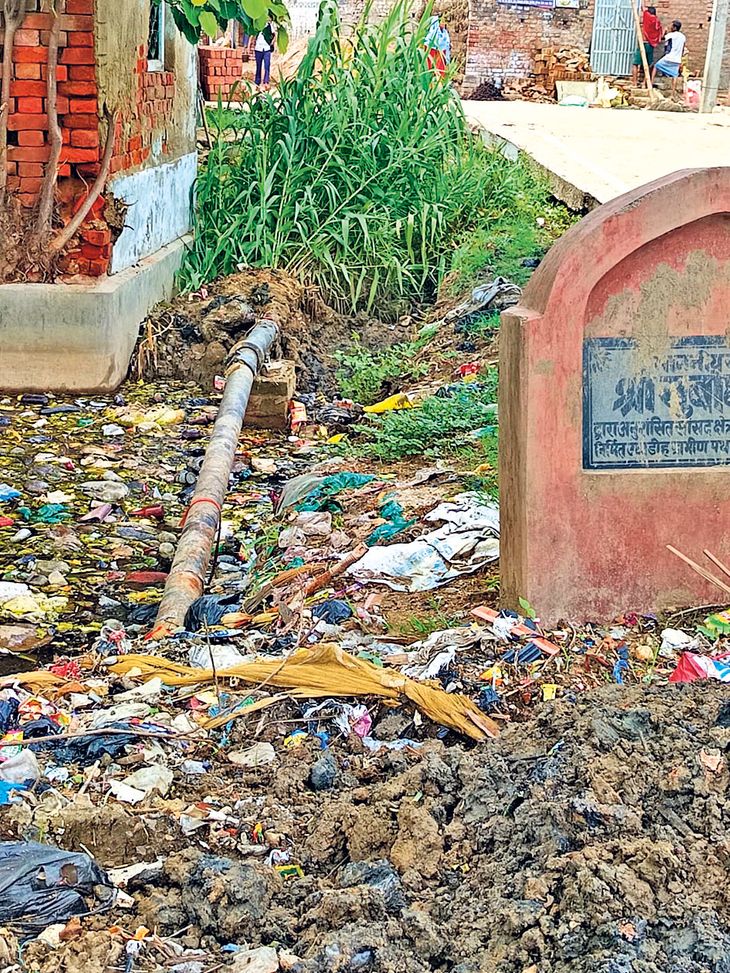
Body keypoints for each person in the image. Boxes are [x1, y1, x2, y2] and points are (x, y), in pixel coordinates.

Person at [652, 20, 687, 94]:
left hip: (670, 57)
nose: (670, 27)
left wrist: (664, 31)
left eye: (671, 26)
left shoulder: (672, 35)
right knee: (675, 75)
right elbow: (683, 48)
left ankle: (650, 83)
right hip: (677, 59)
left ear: (674, 27)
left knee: (656, 66)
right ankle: (673, 92)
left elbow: (662, 38)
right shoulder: (683, 37)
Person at [631, 5, 662, 84]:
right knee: (648, 65)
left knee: (635, 63)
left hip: (643, 43)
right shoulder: (657, 22)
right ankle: (644, 83)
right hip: (650, 45)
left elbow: (642, 8)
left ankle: (634, 82)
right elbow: (659, 34)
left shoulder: (647, 16)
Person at [254, 20, 276, 90]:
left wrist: (272, 43)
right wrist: (248, 46)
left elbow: (275, 34)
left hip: (267, 48)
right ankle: (257, 81)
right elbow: (253, 36)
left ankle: (266, 82)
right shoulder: (258, 25)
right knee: (258, 65)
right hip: (258, 48)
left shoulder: (269, 26)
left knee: (267, 65)